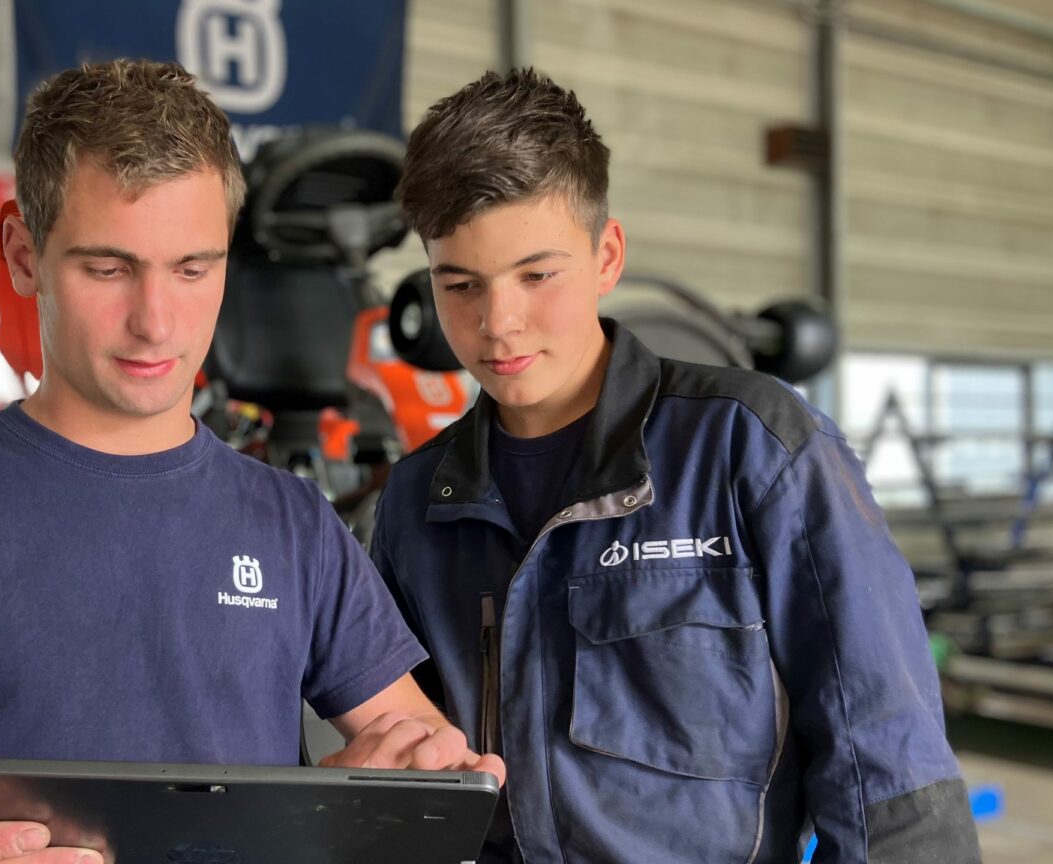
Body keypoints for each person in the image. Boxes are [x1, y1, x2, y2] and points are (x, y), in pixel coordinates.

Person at [0, 59, 501, 864]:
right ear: (23, 254)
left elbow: (410, 735)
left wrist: (420, 775)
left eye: (192, 268)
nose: (156, 322)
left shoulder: (293, 521)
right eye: (107, 268)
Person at [370, 68, 980, 863]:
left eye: (537, 275)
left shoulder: (753, 452)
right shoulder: (420, 504)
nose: (499, 323)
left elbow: (891, 784)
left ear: (607, 255)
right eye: (461, 285)